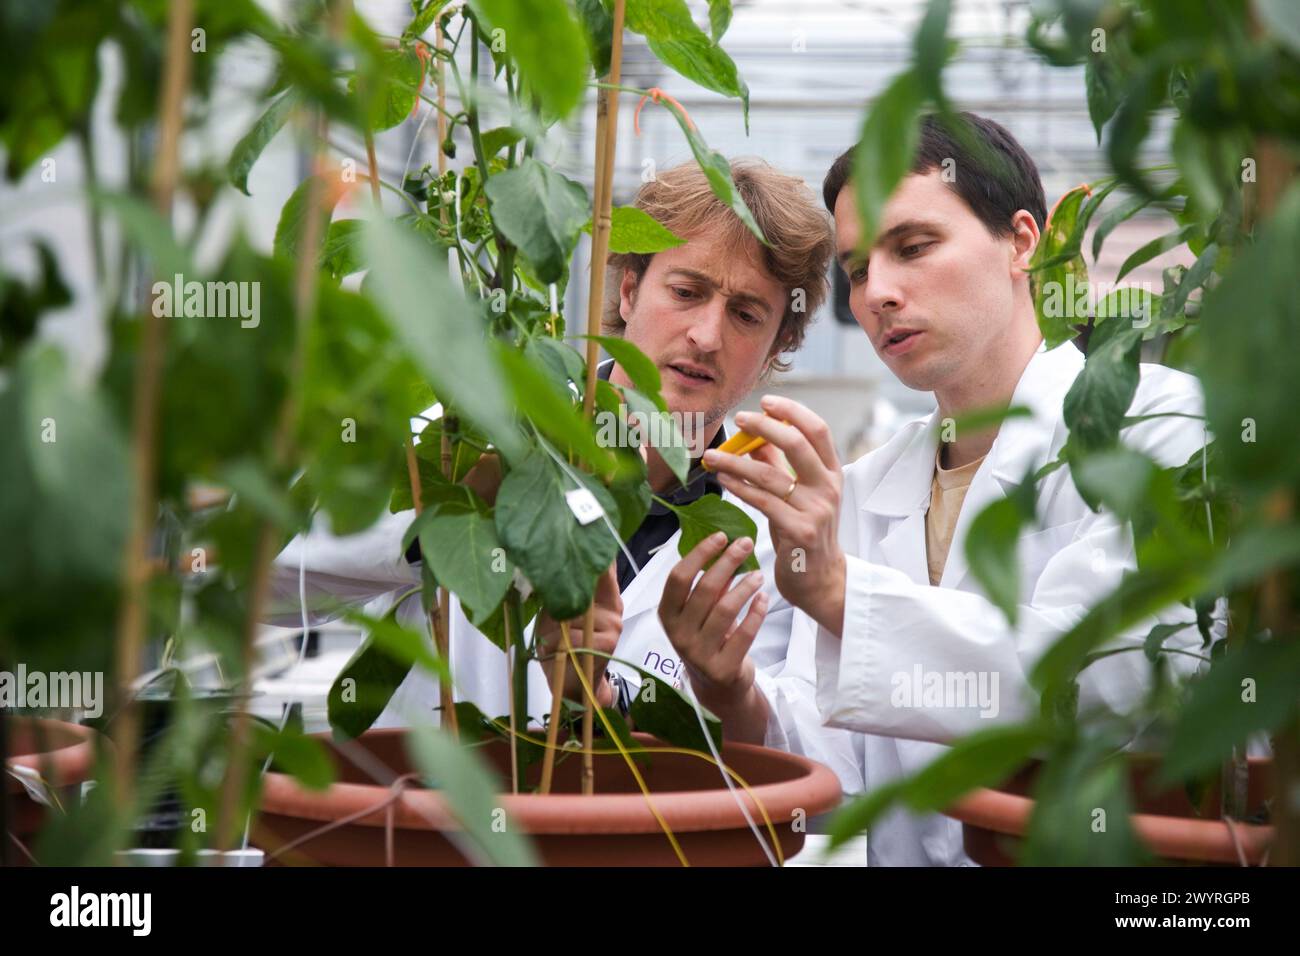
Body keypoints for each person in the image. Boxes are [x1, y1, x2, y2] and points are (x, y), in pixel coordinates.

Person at [657, 113, 1208, 865]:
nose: (878, 292)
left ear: (1022, 242)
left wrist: (838, 593)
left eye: (914, 247)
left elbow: (1120, 681)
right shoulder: (861, 491)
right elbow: (832, 776)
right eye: (855, 271)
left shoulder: (1159, 426)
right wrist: (732, 693)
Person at [268, 159, 855, 778]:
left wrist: (722, 690)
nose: (706, 336)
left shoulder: (769, 541)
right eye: (686, 292)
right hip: (425, 829)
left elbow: (798, 779)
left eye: (746, 314)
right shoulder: (465, 437)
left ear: (778, 345)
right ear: (627, 291)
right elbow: (268, 582)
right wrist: (451, 510)